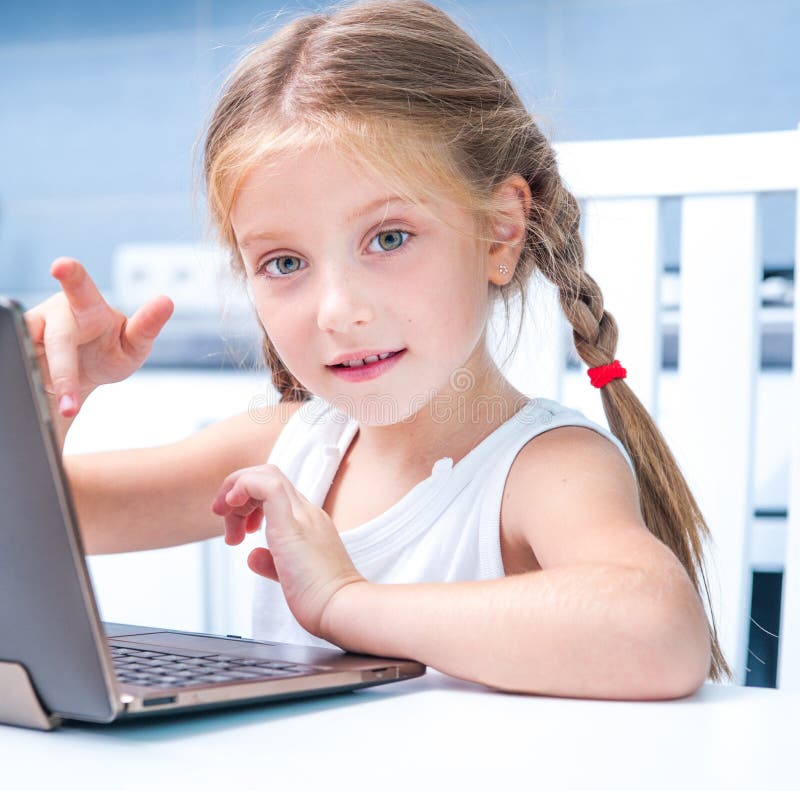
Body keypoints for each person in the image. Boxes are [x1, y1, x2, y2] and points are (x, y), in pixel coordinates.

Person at [24, 0, 731, 699]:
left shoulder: (543, 469)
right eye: (284, 262)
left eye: (389, 238)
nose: (338, 312)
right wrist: (39, 400)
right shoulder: (285, 450)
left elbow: (661, 635)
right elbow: (31, 527)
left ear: (501, 233)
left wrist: (343, 602)